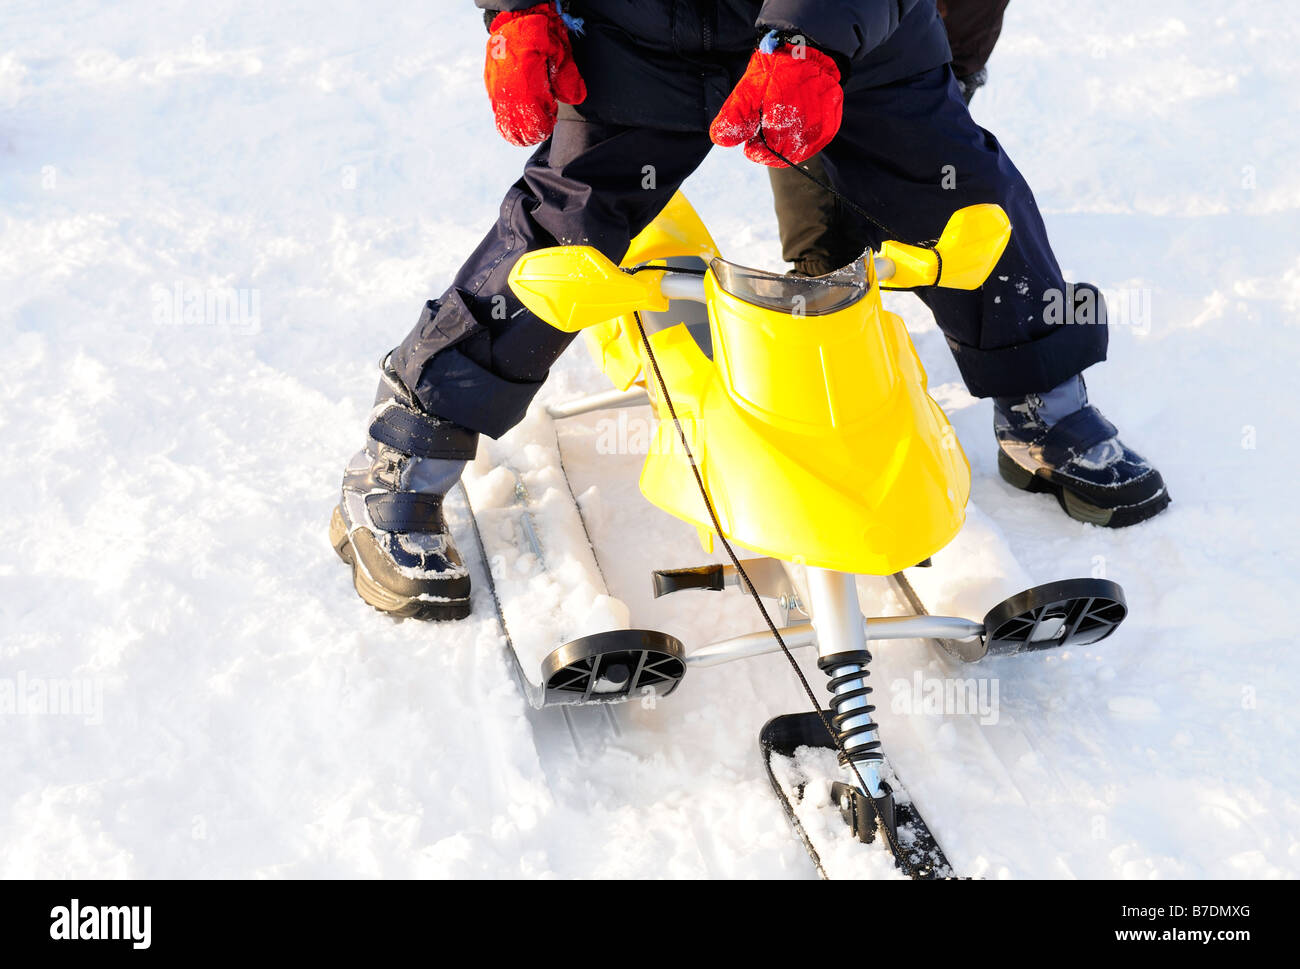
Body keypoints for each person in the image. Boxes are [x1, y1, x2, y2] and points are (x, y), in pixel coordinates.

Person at [331, 1, 1169, 622]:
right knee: (569, 224)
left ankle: (1041, 399)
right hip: (644, 28)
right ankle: (409, 444)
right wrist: (515, 8)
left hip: (852, 25)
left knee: (953, 187)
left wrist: (807, 38)